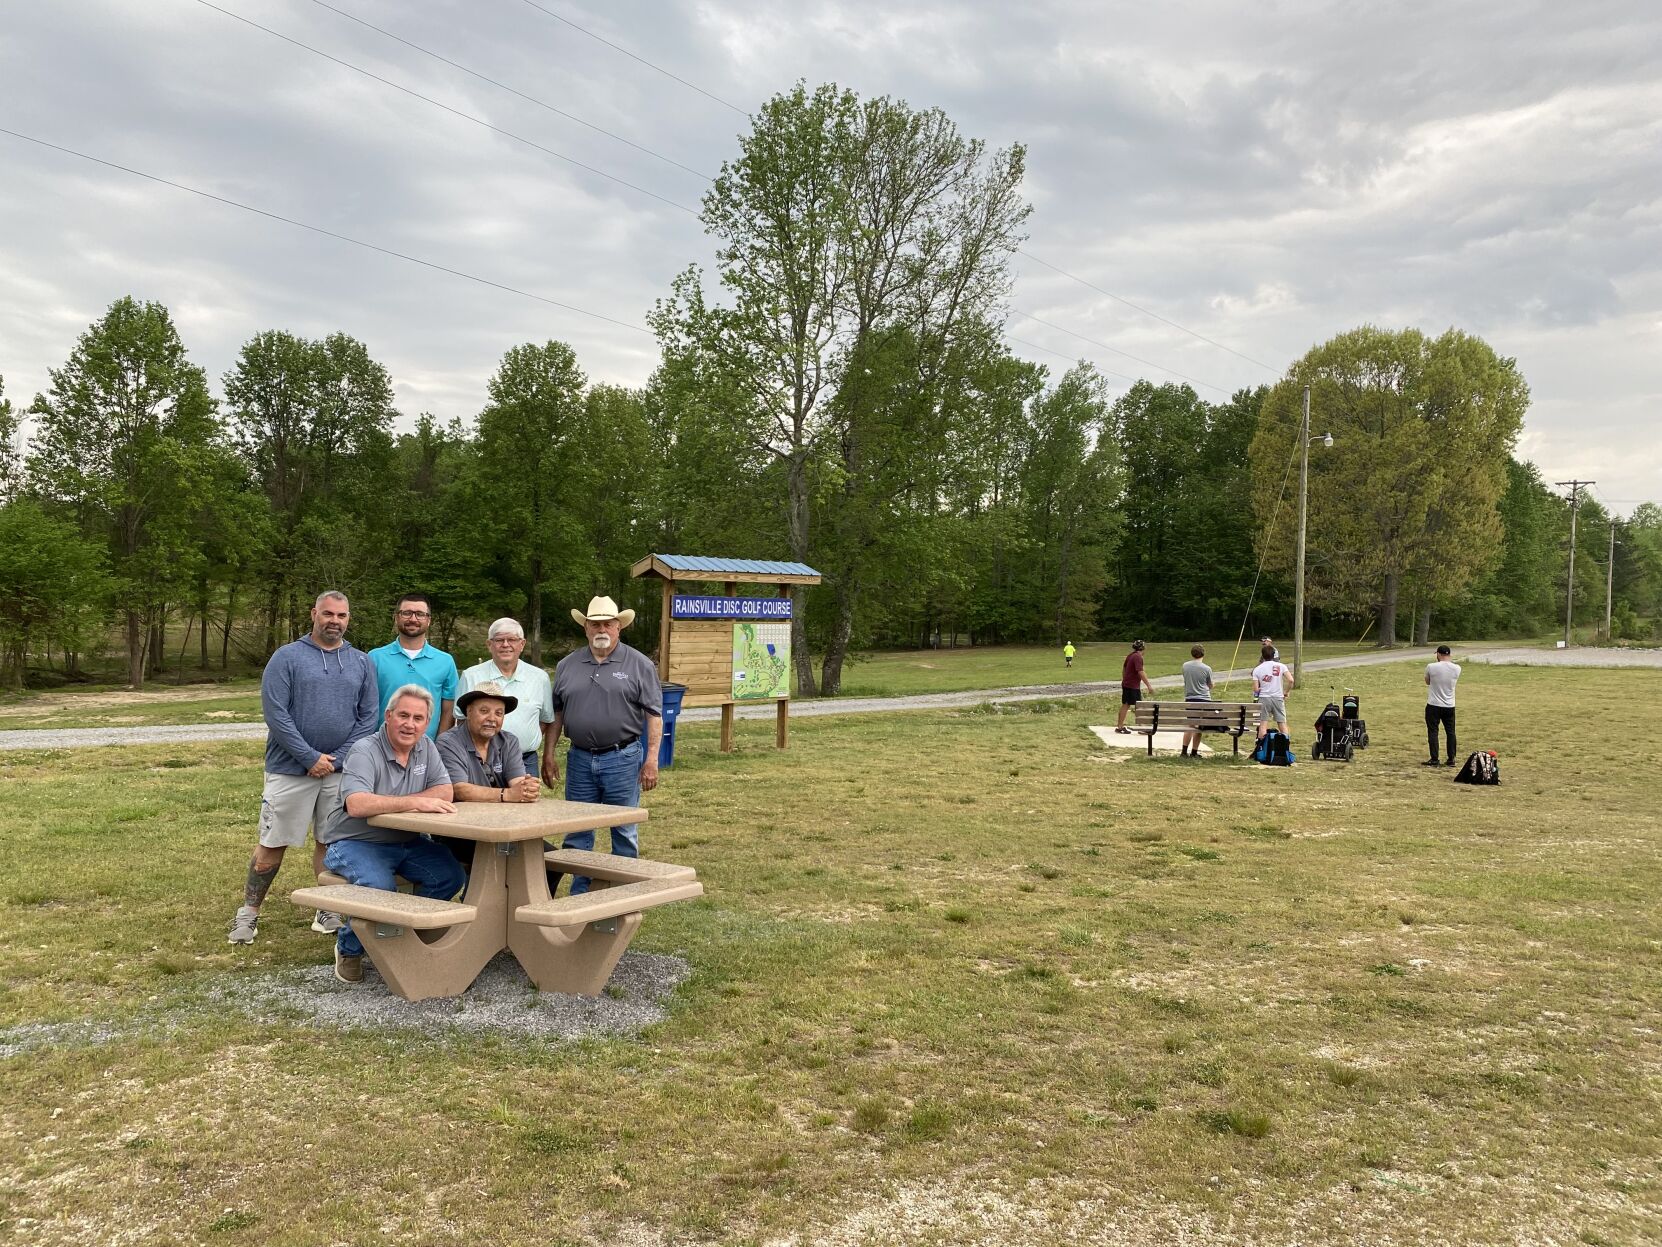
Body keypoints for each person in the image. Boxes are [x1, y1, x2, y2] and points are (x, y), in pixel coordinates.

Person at [228, 590, 378, 945]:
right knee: (272, 842)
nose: (334, 621)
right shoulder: (287, 658)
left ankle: (327, 907)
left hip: (339, 773)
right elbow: (276, 714)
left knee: (330, 841)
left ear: (348, 619)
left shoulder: (361, 662)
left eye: (341, 616)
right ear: (314, 614)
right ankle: (248, 913)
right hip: (289, 770)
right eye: (328, 614)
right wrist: (309, 757)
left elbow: (368, 716)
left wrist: (337, 759)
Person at [318, 685, 468, 984]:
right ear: (388, 716)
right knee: (379, 887)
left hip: (406, 840)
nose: (409, 724)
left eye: (418, 718)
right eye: (403, 715)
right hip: (355, 841)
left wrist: (403, 801)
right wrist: (415, 800)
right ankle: (350, 948)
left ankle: (405, 935)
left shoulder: (426, 746)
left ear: (427, 722)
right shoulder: (364, 750)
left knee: (449, 875)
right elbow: (358, 803)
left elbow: (445, 791)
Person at [546, 595, 663, 894]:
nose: (601, 629)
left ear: (618, 627)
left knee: (623, 830)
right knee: (577, 831)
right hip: (580, 759)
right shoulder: (566, 665)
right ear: (585, 627)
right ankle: (579, 896)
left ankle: (621, 894)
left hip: (623, 757)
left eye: (607, 624)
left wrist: (651, 760)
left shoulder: (639, 664)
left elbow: (654, 715)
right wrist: (548, 754)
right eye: (595, 623)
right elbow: (556, 715)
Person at [434, 680, 542, 870]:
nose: (492, 718)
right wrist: (506, 795)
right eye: (484, 711)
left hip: (501, 828)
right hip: (460, 831)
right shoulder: (448, 742)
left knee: (545, 863)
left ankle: (520, 901)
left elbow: (518, 782)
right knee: (508, 864)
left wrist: (527, 788)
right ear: (468, 712)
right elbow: (459, 790)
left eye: (499, 713)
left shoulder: (509, 741)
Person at [457, 617, 555, 779]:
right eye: (499, 640)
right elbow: (461, 720)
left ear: (522, 644)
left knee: (526, 801)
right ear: (489, 645)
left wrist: (524, 740)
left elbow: (545, 719)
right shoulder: (470, 676)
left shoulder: (540, 678)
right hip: (480, 760)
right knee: (479, 802)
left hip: (525, 760)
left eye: (512, 640)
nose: (505, 645)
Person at [367, 592, 457, 740]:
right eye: (407, 613)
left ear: (428, 620)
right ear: (396, 617)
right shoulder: (375, 657)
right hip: (381, 746)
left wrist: (440, 745)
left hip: (427, 750)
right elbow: (365, 707)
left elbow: (449, 710)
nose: (413, 619)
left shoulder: (445, 661)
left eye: (420, 614)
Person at [1424, 644, 1462, 767]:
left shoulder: (1431, 667)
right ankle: (1451, 758)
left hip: (1434, 704)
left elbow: (1427, 682)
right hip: (1449, 704)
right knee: (1450, 732)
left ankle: (1434, 758)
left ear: (1439, 654)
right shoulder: (1457, 668)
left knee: (1433, 731)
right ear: (1449, 655)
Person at [1252, 643, 1293, 740]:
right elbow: (1291, 680)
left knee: (1263, 725)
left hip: (1264, 698)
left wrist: (1259, 690)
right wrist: (1286, 692)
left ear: (1262, 655)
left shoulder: (1257, 669)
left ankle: (1261, 747)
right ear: (1274, 654)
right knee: (1282, 723)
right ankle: (1285, 746)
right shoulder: (1281, 666)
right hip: (1278, 697)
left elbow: (1256, 689)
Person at [1113, 640, 1155, 733]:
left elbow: (1124, 669)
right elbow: (1140, 672)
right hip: (1132, 685)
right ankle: (1141, 727)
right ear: (1143, 648)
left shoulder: (1130, 655)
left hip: (1128, 684)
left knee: (1127, 704)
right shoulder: (1138, 657)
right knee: (1137, 705)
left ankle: (1120, 726)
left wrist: (1125, 679)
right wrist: (1149, 686)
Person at [1180, 644, 1214, 757]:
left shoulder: (1185, 666)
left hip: (1190, 698)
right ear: (1203, 654)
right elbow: (1210, 685)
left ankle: (1184, 751)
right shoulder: (1207, 668)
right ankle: (1194, 752)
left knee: (1190, 725)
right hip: (1204, 699)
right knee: (1199, 726)